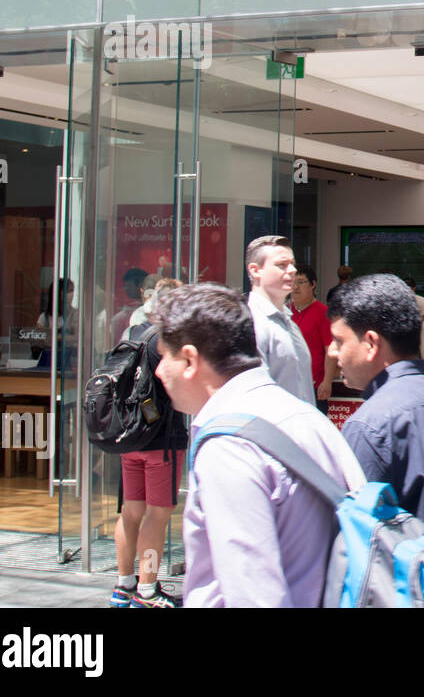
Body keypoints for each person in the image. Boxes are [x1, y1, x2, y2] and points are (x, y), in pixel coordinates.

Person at [153, 282, 365, 607]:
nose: (158, 370)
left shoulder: (228, 446)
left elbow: (253, 595)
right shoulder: (307, 419)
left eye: (164, 355)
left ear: (190, 360)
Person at [329, 274, 424, 582]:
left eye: (339, 341)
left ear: (371, 343)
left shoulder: (370, 426)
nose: (333, 353)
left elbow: (354, 540)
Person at [111, 299, 190, 608]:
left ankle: (123, 586)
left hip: (130, 438)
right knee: (157, 516)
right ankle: (147, 591)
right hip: (162, 441)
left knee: (130, 512)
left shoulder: (131, 335)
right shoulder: (168, 341)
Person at [245, 235, 315, 407]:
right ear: (255, 270)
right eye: (281, 265)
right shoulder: (250, 324)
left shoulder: (288, 321)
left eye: (292, 264)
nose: (292, 270)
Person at [290, 264, 337, 414]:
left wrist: (327, 381)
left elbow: (329, 349)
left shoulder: (323, 313)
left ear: (313, 284)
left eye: (301, 282)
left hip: (314, 386)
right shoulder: (283, 312)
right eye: (292, 282)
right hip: (289, 384)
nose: (295, 287)